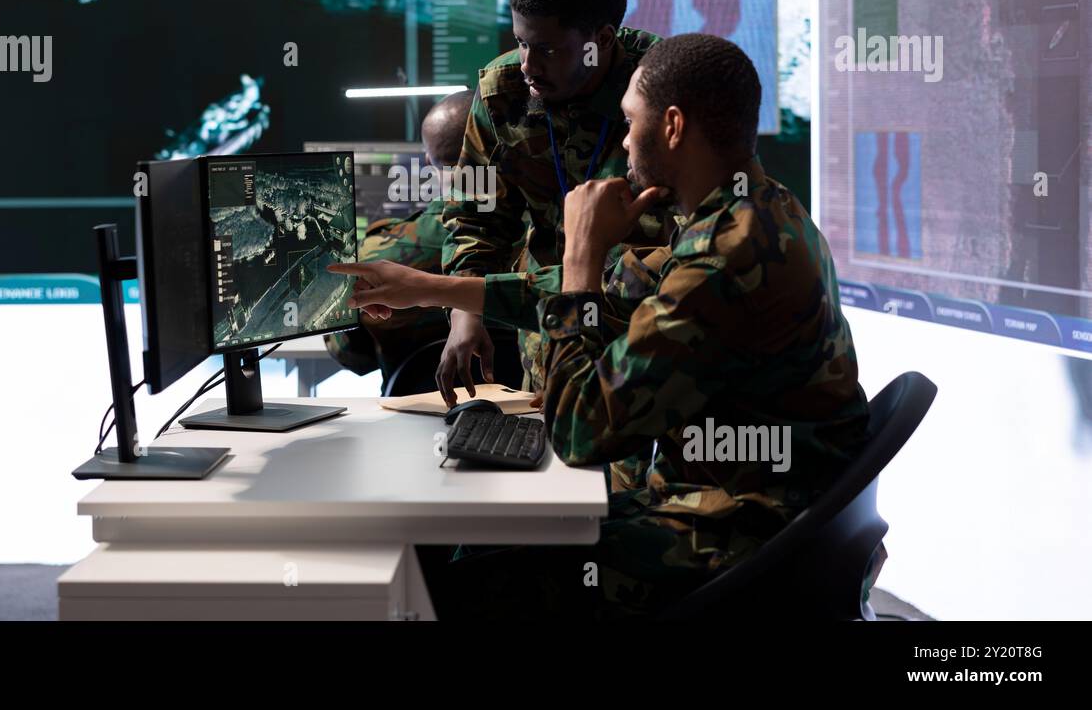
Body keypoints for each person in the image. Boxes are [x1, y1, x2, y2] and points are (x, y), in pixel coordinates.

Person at [331, 33, 871, 618]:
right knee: (479, 540)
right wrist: (427, 288)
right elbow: (623, 297)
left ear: (671, 126)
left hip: (731, 527)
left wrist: (580, 255)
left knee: (458, 584)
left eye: (628, 121)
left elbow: (580, 432)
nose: (622, 138)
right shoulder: (752, 211)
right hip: (748, 497)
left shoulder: (724, 256)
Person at [439, 0, 673, 406]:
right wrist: (466, 314)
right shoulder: (503, 93)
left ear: (601, 40)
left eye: (546, 48)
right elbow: (475, 216)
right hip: (552, 341)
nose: (528, 64)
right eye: (521, 42)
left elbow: (689, 245)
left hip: (650, 343)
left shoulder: (662, 88)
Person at [323, 90, 474, 389]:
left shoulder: (376, 259)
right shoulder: (548, 246)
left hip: (410, 416)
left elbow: (352, 357)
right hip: (521, 418)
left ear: (429, 161)